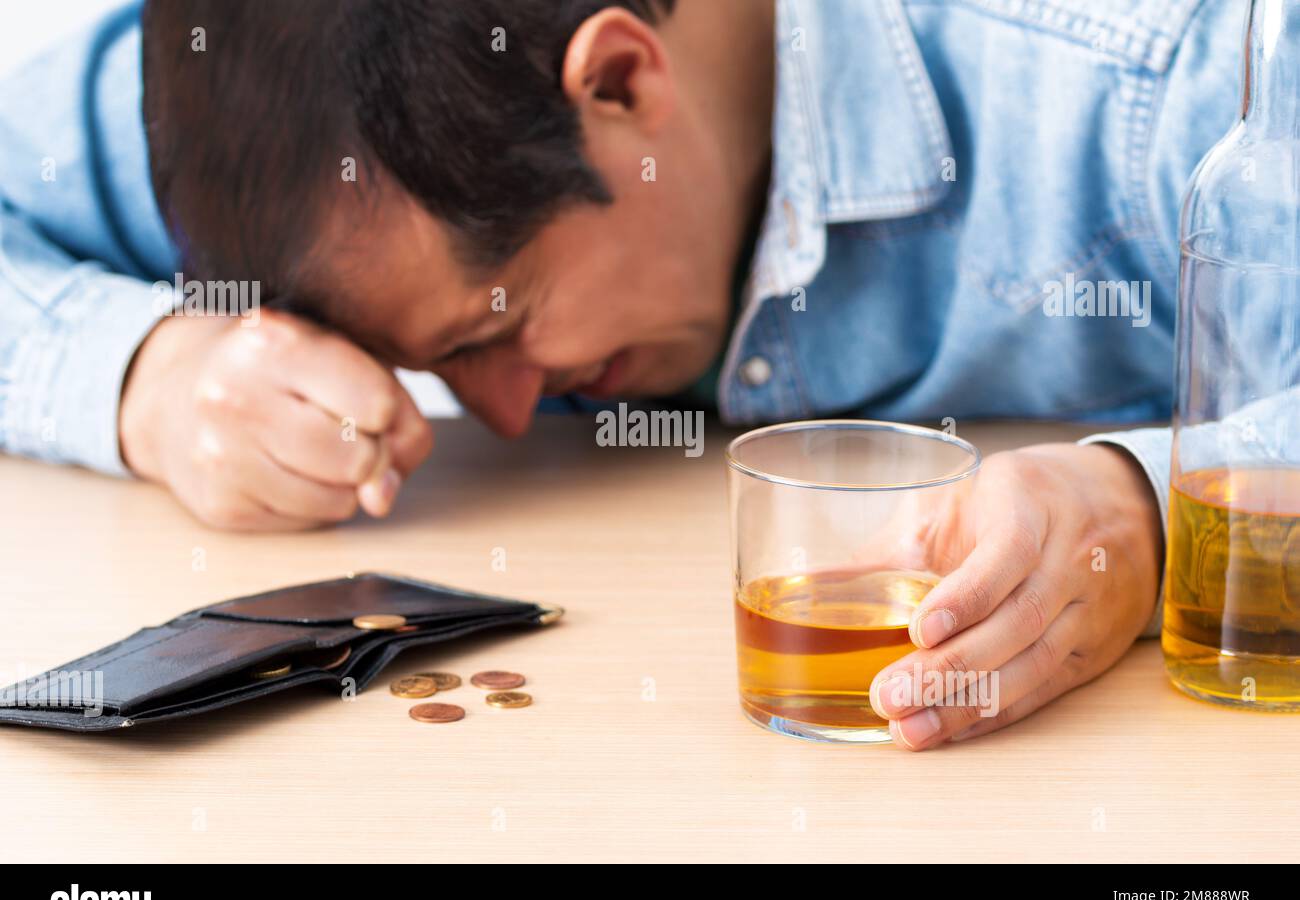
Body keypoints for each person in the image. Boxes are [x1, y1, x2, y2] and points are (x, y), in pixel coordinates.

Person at [0, 0, 1244, 748]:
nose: (492, 414)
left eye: (496, 325)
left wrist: (1145, 513)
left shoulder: (1163, 75)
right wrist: (149, 381)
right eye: (414, 363)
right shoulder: (289, 101)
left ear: (619, 81)